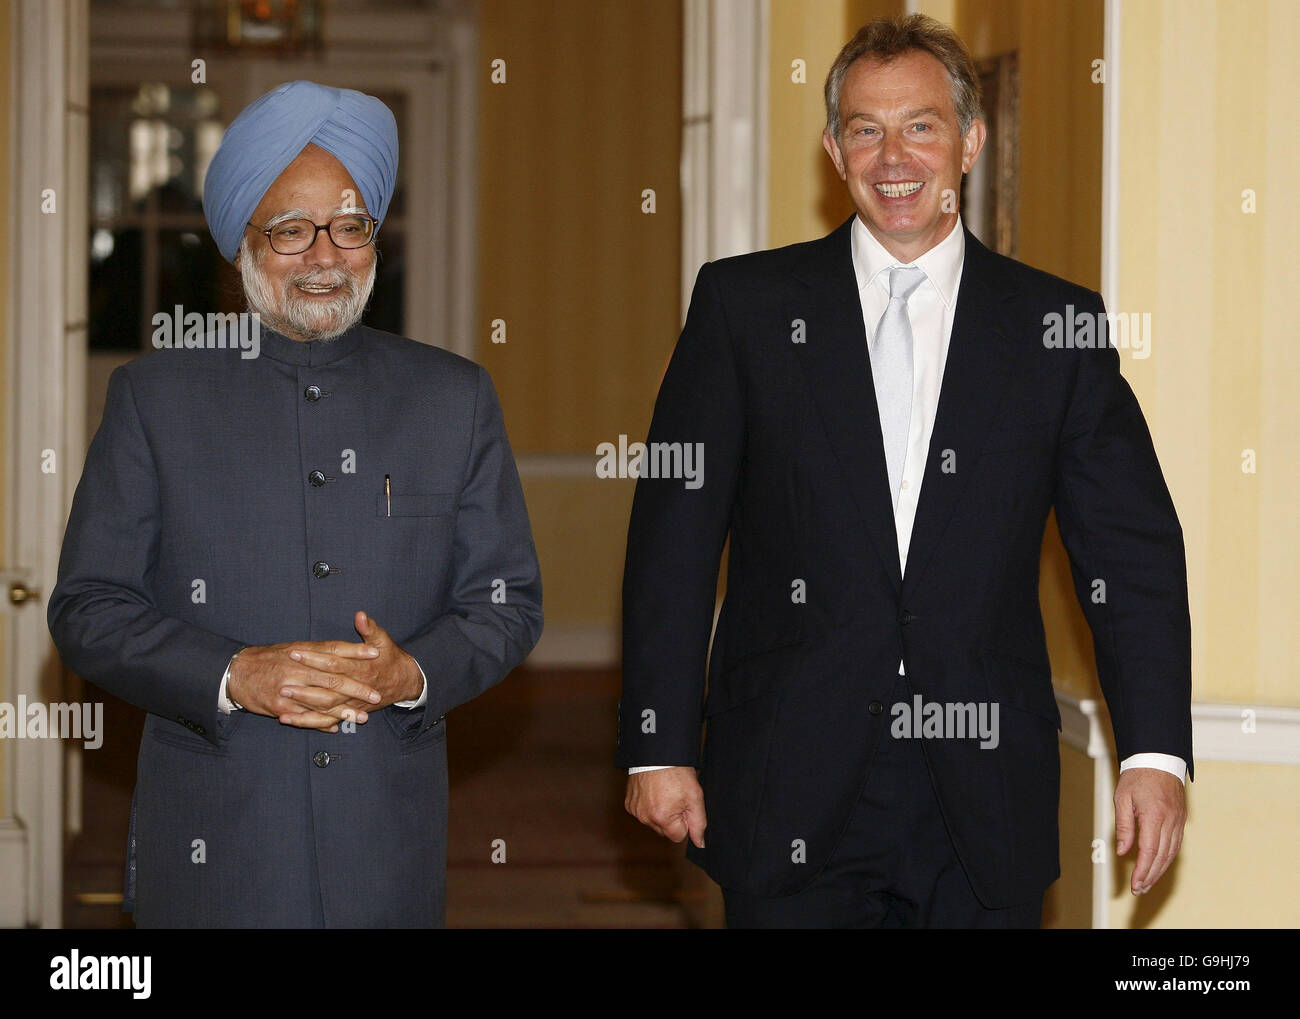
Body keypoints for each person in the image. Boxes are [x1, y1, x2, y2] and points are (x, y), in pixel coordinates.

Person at [618, 15, 1191, 928]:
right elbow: (671, 544)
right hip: (786, 777)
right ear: (833, 149)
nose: (894, 157)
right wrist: (658, 743)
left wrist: (1154, 755)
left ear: (971, 141)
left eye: (921, 126)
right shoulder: (744, 308)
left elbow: (1130, 554)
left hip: (983, 792)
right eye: (866, 129)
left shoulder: (1055, 327)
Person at [48, 80, 542, 928]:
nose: (324, 256)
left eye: (349, 227)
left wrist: (412, 672)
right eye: (290, 230)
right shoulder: (155, 397)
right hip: (215, 841)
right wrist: (233, 673)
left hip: (384, 840)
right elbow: (88, 608)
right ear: (243, 243)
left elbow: (508, 604)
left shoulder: (452, 398)